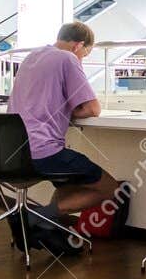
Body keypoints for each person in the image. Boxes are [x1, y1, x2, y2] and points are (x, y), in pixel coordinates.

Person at [8, 21, 129, 225]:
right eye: (84, 55)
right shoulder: (67, 58)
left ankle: (46, 227)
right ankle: (34, 218)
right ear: (78, 46)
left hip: (16, 151)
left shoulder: (32, 57)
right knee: (110, 189)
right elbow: (93, 109)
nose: (81, 60)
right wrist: (69, 110)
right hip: (44, 152)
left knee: (70, 183)